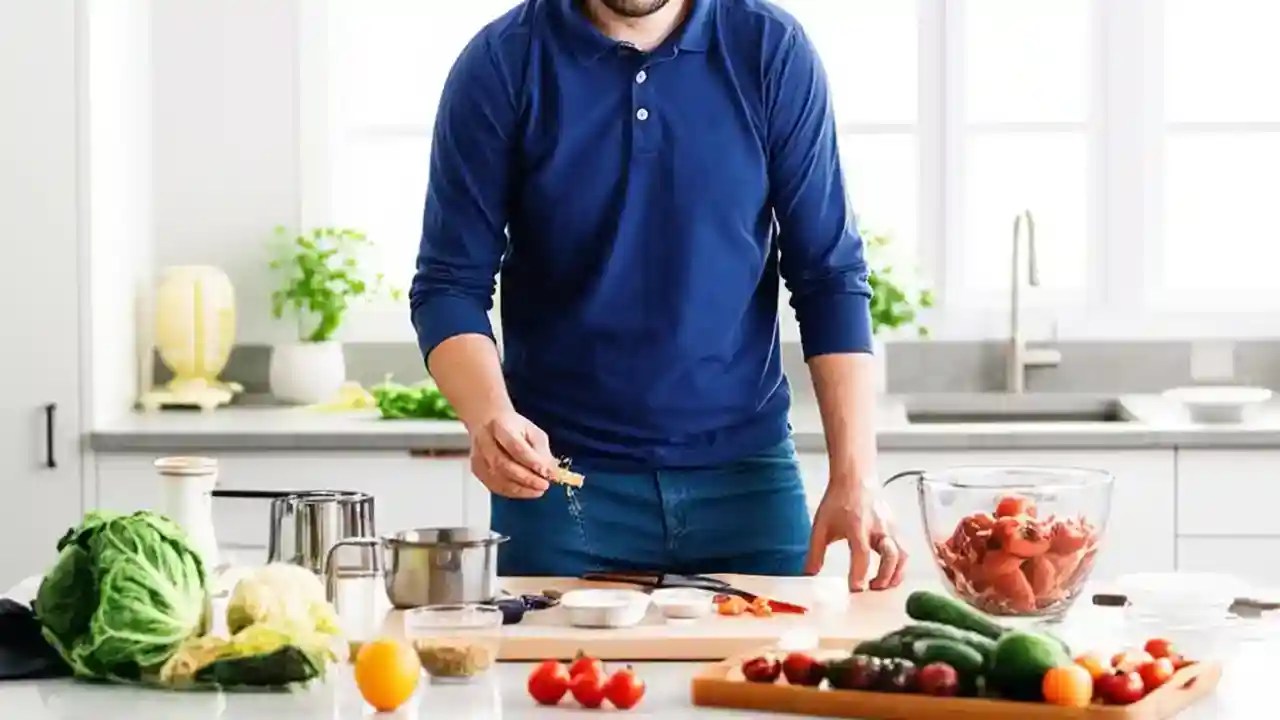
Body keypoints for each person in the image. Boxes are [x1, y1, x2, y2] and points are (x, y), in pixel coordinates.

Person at [410, 0, 906, 592]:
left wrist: (855, 476)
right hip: (559, 489)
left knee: (766, 676)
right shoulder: (501, 63)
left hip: (748, 483)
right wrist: (488, 415)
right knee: (549, 685)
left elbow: (829, 275)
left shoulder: (770, 49)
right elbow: (448, 284)